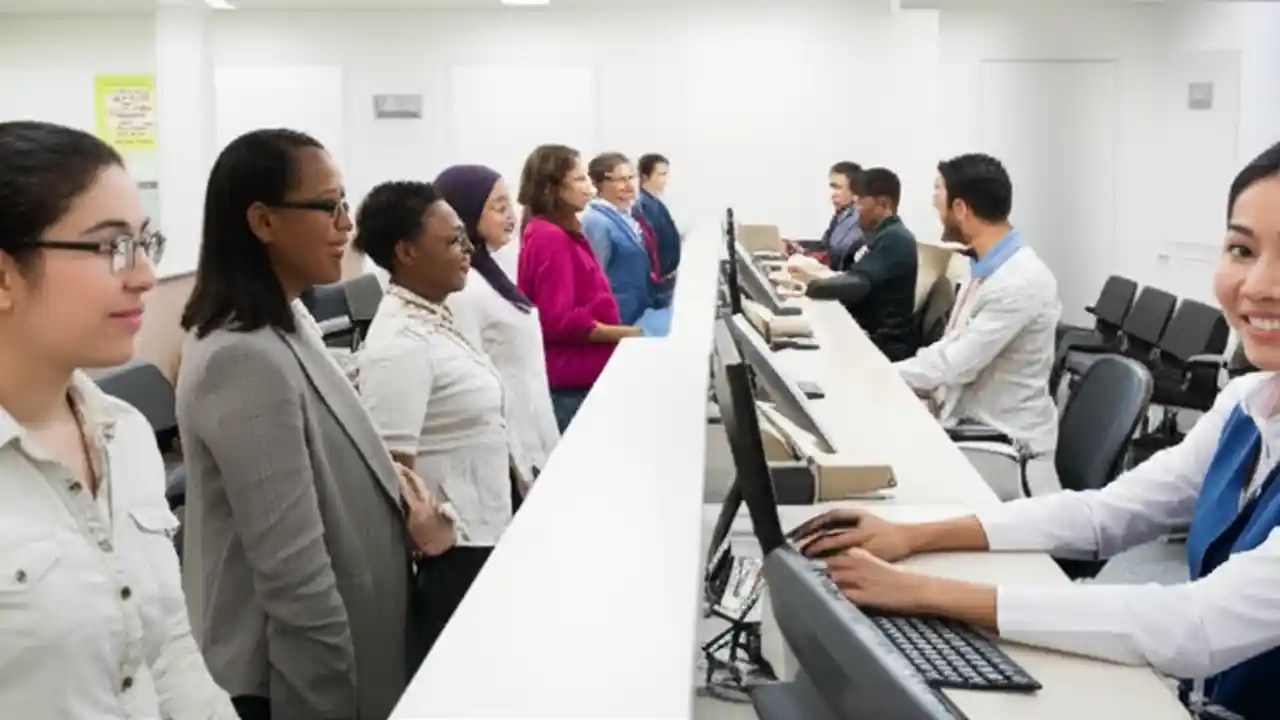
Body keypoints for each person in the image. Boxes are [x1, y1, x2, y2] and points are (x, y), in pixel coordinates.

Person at [795, 141, 1280, 720]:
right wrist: (912, 539)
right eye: (1241, 249)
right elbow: (1108, 513)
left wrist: (926, 594)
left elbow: (1197, 626)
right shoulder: (1247, 403)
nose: (1257, 285)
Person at [177, 128, 456, 720]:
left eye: (345, 205)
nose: (346, 225)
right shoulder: (242, 355)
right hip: (291, 683)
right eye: (328, 207)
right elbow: (294, 578)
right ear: (263, 221)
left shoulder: (288, 318)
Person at [0, 120, 235, 719]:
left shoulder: (122, 432)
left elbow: (166, 655)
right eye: (110, 246)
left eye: (144, 243)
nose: (145, 276)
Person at [355, 180, 518, 654]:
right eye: (452, 241)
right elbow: (391, 469)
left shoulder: (434, 315)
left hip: (484, 530)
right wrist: (432, 539)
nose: (467, 250)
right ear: (406, 251)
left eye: (465, 238)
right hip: (453, 554)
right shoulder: (400, 342)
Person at [894, 153, 1061, 499]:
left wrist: (879, 376)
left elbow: (955, 364)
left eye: (937, 195)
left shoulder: (1019, 281)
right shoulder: (989, 269)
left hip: (1006, 447)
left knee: (894, 473)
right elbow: (951, 348)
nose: (932, 204)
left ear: (960, 208)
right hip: (974, 427)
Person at [435, 164, 560, 481]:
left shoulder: (488, 269)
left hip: (532, 433)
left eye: (510, 206)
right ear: (464, 213)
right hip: (506, 452)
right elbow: (473, 379)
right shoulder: (463, 289)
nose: (512, 218)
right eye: (498, 207)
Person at [516, 144, 643, 431]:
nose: (589, 186)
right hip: (573, 384)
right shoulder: (550, 238)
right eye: (579, 179)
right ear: (554, 189)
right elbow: (559, 320)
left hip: (583, 378)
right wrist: (633, 334)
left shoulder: (560, 232)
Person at [804, 167, 919, 362]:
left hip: (882, 346)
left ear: (883, 203)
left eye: (859, 204)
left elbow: (856, 284)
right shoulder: (877, 236)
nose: (856, 212)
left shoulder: (895, 239)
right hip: (865, 335)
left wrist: (809, 287)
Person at [582, 151, 671, 337]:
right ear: (599, 183)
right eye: (621, 180)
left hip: (637, 314)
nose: (629, 185)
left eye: (631, 177)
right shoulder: (596, 222)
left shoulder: (627, 216)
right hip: (617, 322)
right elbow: (594, 280)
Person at [635, 152, 681, 281]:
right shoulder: (643, 205)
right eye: (661, 175)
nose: (665, 180)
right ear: (644, 176)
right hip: (656, 281)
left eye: (666, 174)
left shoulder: (655, 202)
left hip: (664, 277)